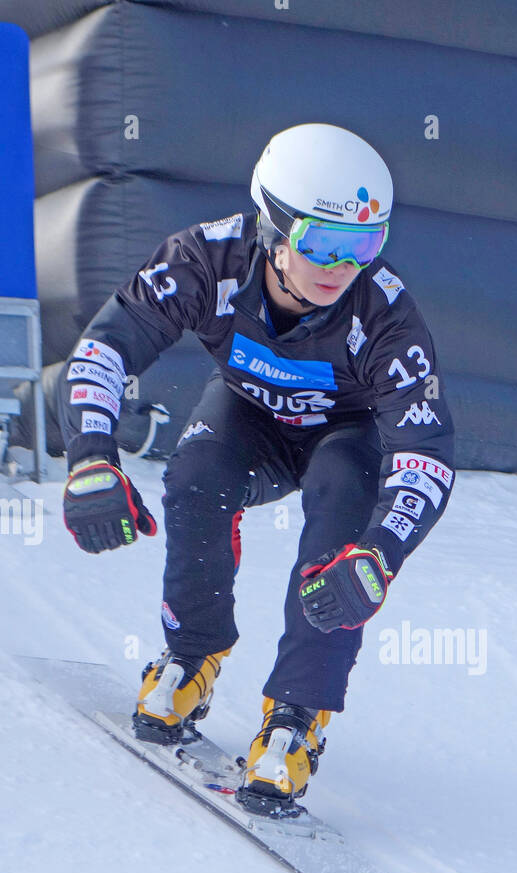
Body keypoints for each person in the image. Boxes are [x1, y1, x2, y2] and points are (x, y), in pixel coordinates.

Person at [59, 123, 455, 817]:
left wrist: (381, 554)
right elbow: (106, 346)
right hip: (249, 416)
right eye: (322, 242)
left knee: (342, 515)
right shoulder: (205, 259)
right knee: (193, 479)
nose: (341, 265)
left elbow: (426, 454)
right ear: (272, 228)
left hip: (348, 434)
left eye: (364, 244)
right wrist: (91, 457)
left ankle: (296, 715)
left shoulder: (385, 312)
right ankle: (193, 653)